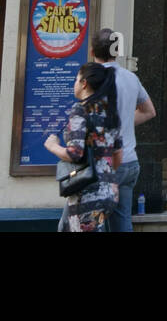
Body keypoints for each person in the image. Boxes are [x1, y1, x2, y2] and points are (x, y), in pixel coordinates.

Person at [45, 62, 122, 232]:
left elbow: (75, 154)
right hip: (109, 191)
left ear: (84, 83)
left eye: (76, 80)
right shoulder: (110, 111)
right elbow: (117, 155)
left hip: (87, 192)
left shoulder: (81, 110)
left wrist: (52, 146)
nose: (74, 84)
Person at [92, 28, 156, 232]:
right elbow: (149, 111)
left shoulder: (94, 79)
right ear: (117, 51)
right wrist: (125, 121)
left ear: (93, 52)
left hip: (105, 162)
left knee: (94, 221)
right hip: (129, 161)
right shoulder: (130, 78)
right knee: (122, 222)